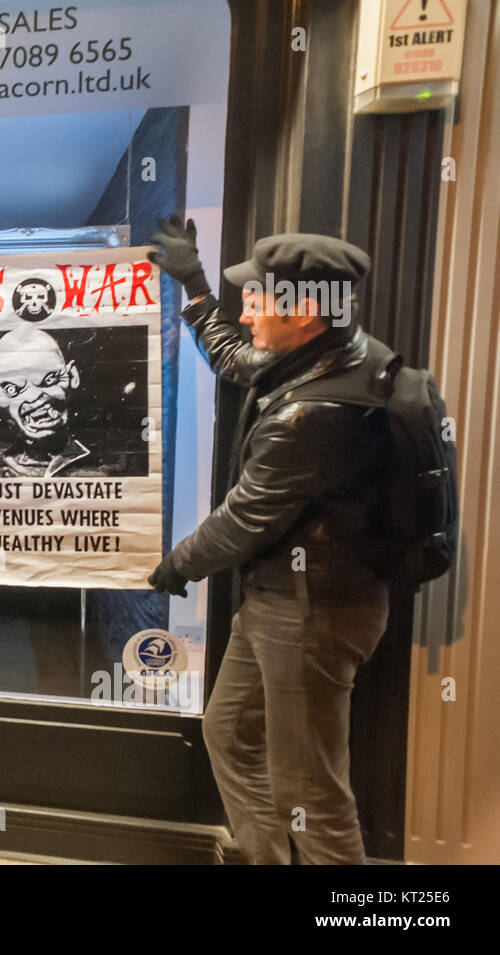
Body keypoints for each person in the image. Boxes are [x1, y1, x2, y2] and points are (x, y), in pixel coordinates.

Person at [146, 216, 393, 864]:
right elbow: (237, 358)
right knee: (229, 734)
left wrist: (177, 564)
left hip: (313, 613)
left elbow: (245, 518)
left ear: (304, 311)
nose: (247, 310)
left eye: (256, 298)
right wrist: (196, 288)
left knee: (311, 793)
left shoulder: (321, 410)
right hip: (280, 599)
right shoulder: (321, 356)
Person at [0, 326, 89, 478]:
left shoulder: (104, 463)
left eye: (50, 379)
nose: (33, 397)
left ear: (72, 376)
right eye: (13, 389)